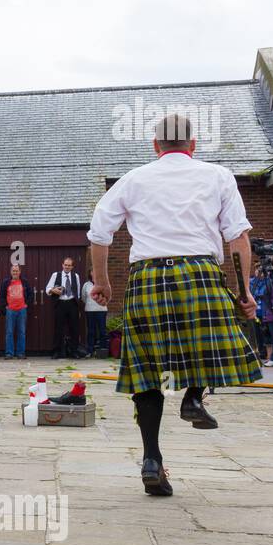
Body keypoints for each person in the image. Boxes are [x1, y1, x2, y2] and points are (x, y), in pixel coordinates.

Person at [87, 114, 260, 497]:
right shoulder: (217, 176)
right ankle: (195, 397)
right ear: (194, 145)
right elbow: (238, 238)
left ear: (155, 146)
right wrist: (244, 291)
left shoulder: (133, 179)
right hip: (199, 270)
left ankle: (151, 458)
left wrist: (102, 281)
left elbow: (99, 235)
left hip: (147, 276)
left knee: (146, 372)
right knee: (209, 345)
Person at [45, 257, 82, 358]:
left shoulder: (76, 276)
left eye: (69, 265)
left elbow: (78, 292)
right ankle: (56, 351)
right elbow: (47, 289)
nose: (67, 267)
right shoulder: (56, 275)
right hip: (60, 303)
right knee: (58, 328)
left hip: (72, 303)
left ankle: (74, 351)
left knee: (74, 328)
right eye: (65, 265)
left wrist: (76, 304)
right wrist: (53, 290)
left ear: (72, 267)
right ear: (62, 265)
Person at [0, 264, 31, 358]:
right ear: (11, 271)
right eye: (13, 271)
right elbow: (1, 296)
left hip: (22, 310)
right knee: (9, 332)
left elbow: (30, 294)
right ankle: (9, 353)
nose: (15, 272)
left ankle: (20, 353)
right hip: (10, 310)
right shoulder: (6, 282)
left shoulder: (24, 282)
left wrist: (26, 304)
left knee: (21, 332)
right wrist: (6, 306)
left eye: (17, 271)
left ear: (20, 272)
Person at [81, 269, 108, 358]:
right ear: (90, 273)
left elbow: (107, 296)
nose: (94, 273)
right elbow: (83, 297)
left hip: (101, 310)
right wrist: (90, 303)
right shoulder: (86, 285)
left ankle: (103, 351)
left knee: (102, 331)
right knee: (91, 331)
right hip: (90, 310)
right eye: (92, 271)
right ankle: (90, 351)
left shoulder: (104, 284)